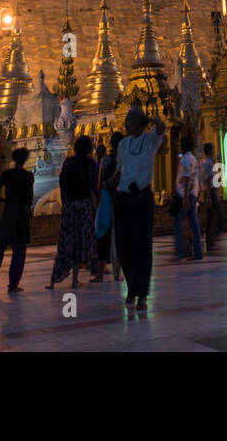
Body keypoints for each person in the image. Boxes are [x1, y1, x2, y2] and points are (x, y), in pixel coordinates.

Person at [112, 108, 167, 310]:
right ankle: (131, 288)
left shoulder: (151, 140)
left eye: (129, 121)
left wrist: (148, 119)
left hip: (142, 197)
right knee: (124, 248)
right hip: (124, 198)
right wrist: (110, 180)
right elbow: (120, 168)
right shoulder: (123, 144)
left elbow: (162, 127)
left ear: (138, 123)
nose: (125, 124)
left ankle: (141, 295)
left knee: (142, 248)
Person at [48, 135, 101, 288]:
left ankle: (53, 280)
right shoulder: (90, 163)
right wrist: (96, 208)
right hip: (83, 206)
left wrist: (64, 203)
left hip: (69, 206)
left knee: (65, 242)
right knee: (81, 242)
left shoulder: (68, 162)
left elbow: (62, 183)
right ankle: (74, 279)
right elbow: (92, 188)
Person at [0, 147, 34, 295]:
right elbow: (29, 198)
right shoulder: (28, 176)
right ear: (24, 160)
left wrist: (5, 201)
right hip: (22, 214)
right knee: (19, 252)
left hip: (8, 213)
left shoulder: (6, 174)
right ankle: (13, 285)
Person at [173, 134, 204, 260]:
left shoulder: (186, 159)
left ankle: (181, 251)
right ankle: (198, 252)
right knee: (193, 223)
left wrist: (185, 198)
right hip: (192, 193)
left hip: (186, 194)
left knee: (177, 223)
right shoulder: (192, 158)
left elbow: (186, 178)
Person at [97, 135, 121, 280]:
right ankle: (118, 273)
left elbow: (100, 183)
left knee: (104, 238)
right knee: (119, 237)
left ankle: (100, 273)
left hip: (106, 202)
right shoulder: (123, 160)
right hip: (120, 202)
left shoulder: (105, 161)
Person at [200, 142, 223, 251]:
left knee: (210, 217)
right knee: (219, 215)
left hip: (207, 191)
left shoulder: (204, 162)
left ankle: (210, 241)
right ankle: (211, 239)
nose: (214, 152)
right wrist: (209, 196)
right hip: (210, 191)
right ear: (210, 151)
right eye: (212, 150)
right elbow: (208, 179)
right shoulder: (208, 162)